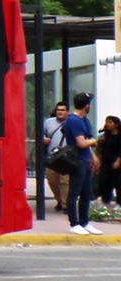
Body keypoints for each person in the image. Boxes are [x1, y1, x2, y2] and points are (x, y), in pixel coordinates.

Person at [60, 92, 102, 235]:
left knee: (86, 193)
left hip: (85, 160)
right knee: (74, 193)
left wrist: (93, 156)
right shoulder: (74, 121)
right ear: (86, 105)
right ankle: (74, 223)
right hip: (77, 161)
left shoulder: (84, 120)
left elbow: (87, 141)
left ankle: (85, 222)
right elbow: (82, 143)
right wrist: (93, 142)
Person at [43, 101, 70, 216]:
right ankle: (59, 200)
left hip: (66, 157)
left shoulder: (71, 122)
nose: (59, 112)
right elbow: (39, 133)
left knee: (65, 181)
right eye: (58, 110)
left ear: (67, 112)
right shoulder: (48, 122)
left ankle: (65, 204)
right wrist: (44, 139)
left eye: (62, 110)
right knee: (52, 180)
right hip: (52, 157)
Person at [96, 115, 121, 209]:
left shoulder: (119, 136)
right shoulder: (105, 136)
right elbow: (99, 149)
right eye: (107, 122)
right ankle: (106, 200)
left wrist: (118, 160)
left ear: (116, 124)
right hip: (106, 161)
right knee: (103, 180)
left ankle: (119, 202)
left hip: (117, 161)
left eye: (110, 122)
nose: (107, 124)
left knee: (118, 182)